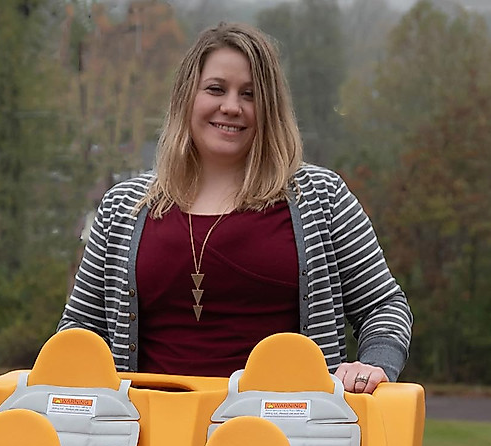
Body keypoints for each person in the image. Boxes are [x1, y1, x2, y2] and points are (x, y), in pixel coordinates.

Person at [58, 22, 412, 395]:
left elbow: (383, 306)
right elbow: (80, 328)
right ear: (186, 97)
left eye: (250, 94)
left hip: (285, 427)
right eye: (215, 89)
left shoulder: (322, 198)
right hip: (148, 428)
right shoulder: (123, 206)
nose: (231, 107)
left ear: (270, 108)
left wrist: (374, 365)